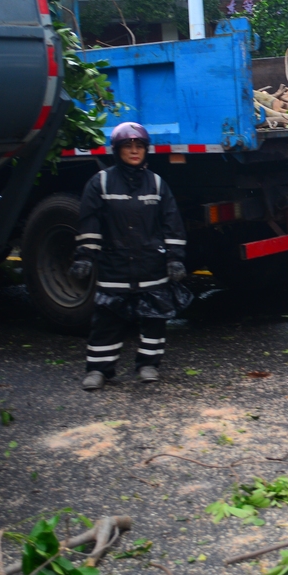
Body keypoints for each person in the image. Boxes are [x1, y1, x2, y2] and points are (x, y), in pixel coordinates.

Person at [71, 122, 192, 390]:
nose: (134, 151)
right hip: (115, 267)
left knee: (154, 319)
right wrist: (85, 258)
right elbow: (89, 224)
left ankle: (148, 365)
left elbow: (172, 224)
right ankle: (99, 370)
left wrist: (174, 258)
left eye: (139, 146)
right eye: (128, 146)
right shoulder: (100, 183)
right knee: (107, 321)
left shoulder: (157, 184)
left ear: (146, 150)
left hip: (151, 267)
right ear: (117, 150)